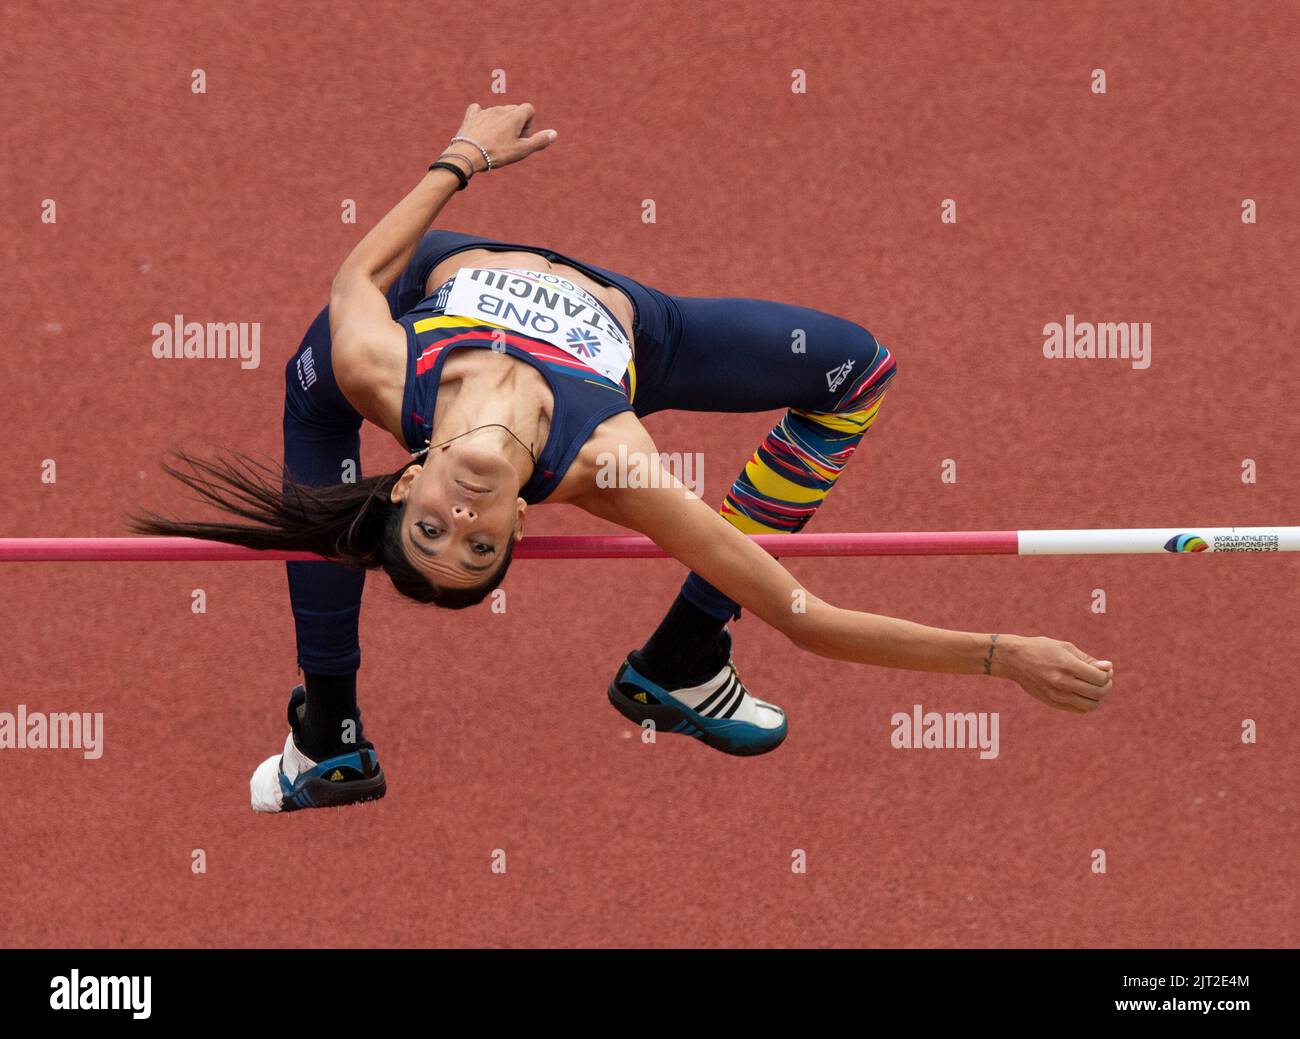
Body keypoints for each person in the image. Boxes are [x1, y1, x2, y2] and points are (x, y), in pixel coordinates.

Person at [132, 103, 1115, 813]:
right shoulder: (613, 464)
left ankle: (350, 724)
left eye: (430, 527)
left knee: (317, 377)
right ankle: (355, 726)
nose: (465, 519)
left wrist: (461, 157)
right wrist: (1002, 656)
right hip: (642, 330)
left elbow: (364, 272)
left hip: (447, 266)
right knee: (859, 371)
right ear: (522, 525)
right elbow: (809, 618)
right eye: (478, 549)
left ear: (408, 477)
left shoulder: (381, 361)